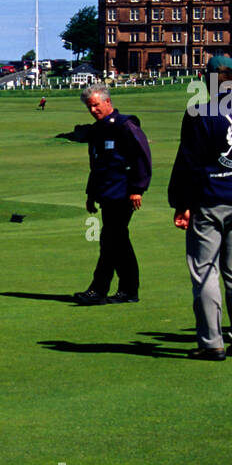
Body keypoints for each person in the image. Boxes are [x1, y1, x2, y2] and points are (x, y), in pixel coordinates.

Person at [167, 56, 232, 359]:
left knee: (205, 272)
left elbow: (188, 163)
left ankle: (212, 343)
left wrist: (180, 203)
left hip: (209, 201)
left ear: (208, 79)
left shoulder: (198, 113)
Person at [73, 83, 151, 305]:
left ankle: (98, 289)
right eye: (90, 107)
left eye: (96, 105)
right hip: (106, 193)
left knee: (110, 239)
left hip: (124, 192)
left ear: (107, 102)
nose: (93, 110)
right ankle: (128, 290)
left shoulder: (126, 126)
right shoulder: (97, 130)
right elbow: (97, 165)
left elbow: (141, 157)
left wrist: (138, 189)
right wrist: (90, 194)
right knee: (118, 240)